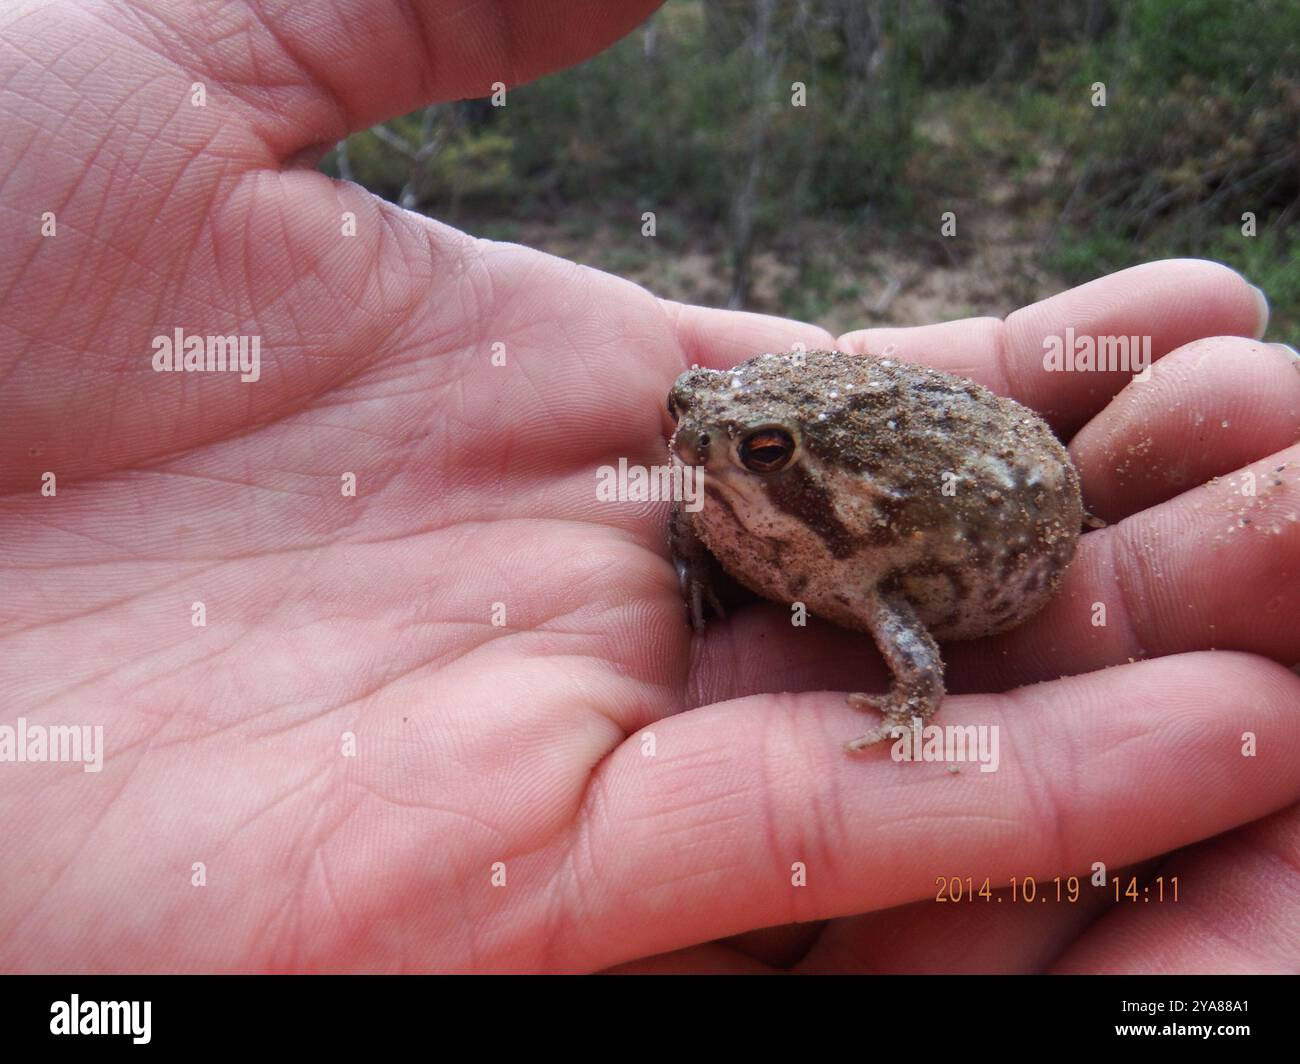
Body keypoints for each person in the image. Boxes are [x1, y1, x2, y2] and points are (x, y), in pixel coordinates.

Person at [1, 0, 1297, 974]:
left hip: (990, 521)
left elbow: (919, 658)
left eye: (754, 459)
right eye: (696, 426)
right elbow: (705, 488)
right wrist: (704, 543)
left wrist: (910, 714)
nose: (701, 459)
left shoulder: (860, 551)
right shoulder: (719, 501)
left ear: (808, 482)